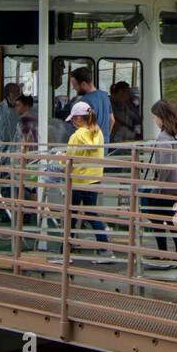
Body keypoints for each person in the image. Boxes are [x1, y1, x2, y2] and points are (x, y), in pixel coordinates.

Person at [142, 100, 177, 257]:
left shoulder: (163, 137)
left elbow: (164, 167)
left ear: (161, 117)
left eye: (155, 117)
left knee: (154, 215)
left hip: (166, 185)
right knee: (170, 217)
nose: (155, 121)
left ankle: (163, 251)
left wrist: (158, 185)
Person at [65, 101, 109, 249]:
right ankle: (104, 249)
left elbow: (69, 159)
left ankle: (65, 250)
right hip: (94, 178)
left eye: (73, 119)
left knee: (70, 214)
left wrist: (60, 158)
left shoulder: (76, 137)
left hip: (77, 180)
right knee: (91, 214)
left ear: (78, 118)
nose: (72, 122)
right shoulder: (98, 132)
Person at [69, 67, 114, 144]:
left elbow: (80, 125)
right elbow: (112, 120)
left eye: (75, 86)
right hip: (104, 145)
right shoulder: (105, 96)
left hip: (90, 147)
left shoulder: (84, 101)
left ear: (83, 84)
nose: (74, 89)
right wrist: (105, 138)